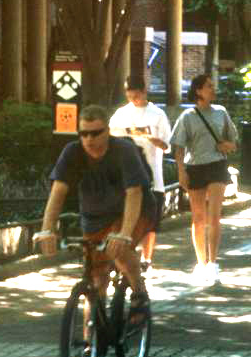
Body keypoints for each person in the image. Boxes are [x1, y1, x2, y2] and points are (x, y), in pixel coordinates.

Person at [36, 104, 154, 313]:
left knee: (120, 251)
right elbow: (58, 191)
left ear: (107, 131)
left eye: (95, 133)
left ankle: (138, 290)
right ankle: (92, 340)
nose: (89, 139)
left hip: (132, 212)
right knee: (96, 280)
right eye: (84, 133)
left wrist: (124, 234)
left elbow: (134, 193)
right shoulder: (72, 152)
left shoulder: (123, 151)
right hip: (94, 217)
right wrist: (47, 229)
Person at [170, 74, 238, 285]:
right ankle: (201, 263)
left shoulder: (221, 113)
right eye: (209, 86)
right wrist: (181, 171)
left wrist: (227, 146)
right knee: (198, 218)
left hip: (217, 166)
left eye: (212, 85)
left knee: (214, 216)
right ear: (198, 91)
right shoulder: (187, 116)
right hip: (195, 168)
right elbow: (179, 147)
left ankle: (213, 263)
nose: (213, 89)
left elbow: (233, 141)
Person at [109, 76, 171, 271]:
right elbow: (111, 138)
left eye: (136, 94)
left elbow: (167, 144)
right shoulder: (121, 114)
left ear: (144, 92)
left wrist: (153, 140)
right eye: (129, 95)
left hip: (153, 172)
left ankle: (146, 259)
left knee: (150, 220)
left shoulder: (158, 114)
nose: (133, 99)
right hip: (126, 175)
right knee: (125, 217)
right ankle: (126, 256)